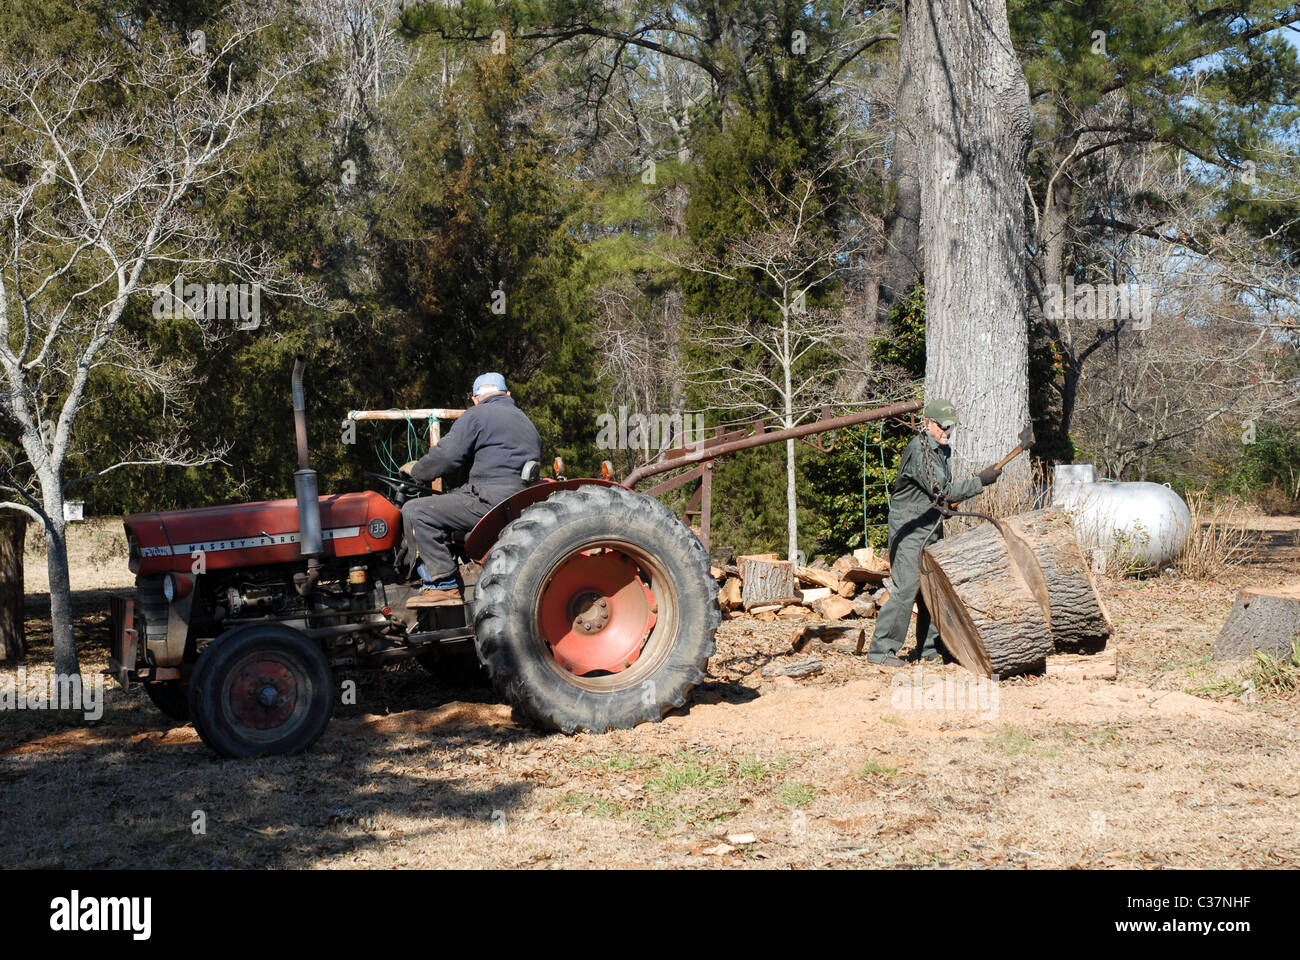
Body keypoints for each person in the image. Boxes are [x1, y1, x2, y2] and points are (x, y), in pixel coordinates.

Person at [866, 398, 1002, 665]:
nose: (946, 431)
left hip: (930, 526)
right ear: (927, 423)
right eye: (942, 426)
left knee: (932, 590)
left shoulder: (942, 450)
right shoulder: (921, 451)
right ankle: (881, 652)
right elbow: (942, 492)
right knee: (906, 590)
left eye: (950, 427)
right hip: (909, 529)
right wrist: (979, 482)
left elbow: (941, 498)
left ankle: (929, 649)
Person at [399, 372, 541, 606]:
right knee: (448, 500)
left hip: (490, 499)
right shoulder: (525, 420)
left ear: (475, 398)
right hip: (518, 498)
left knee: (416, 511)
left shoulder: (476, 415)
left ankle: (443, 585)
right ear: (507, 394)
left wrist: (418, 472)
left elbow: (447, 455)